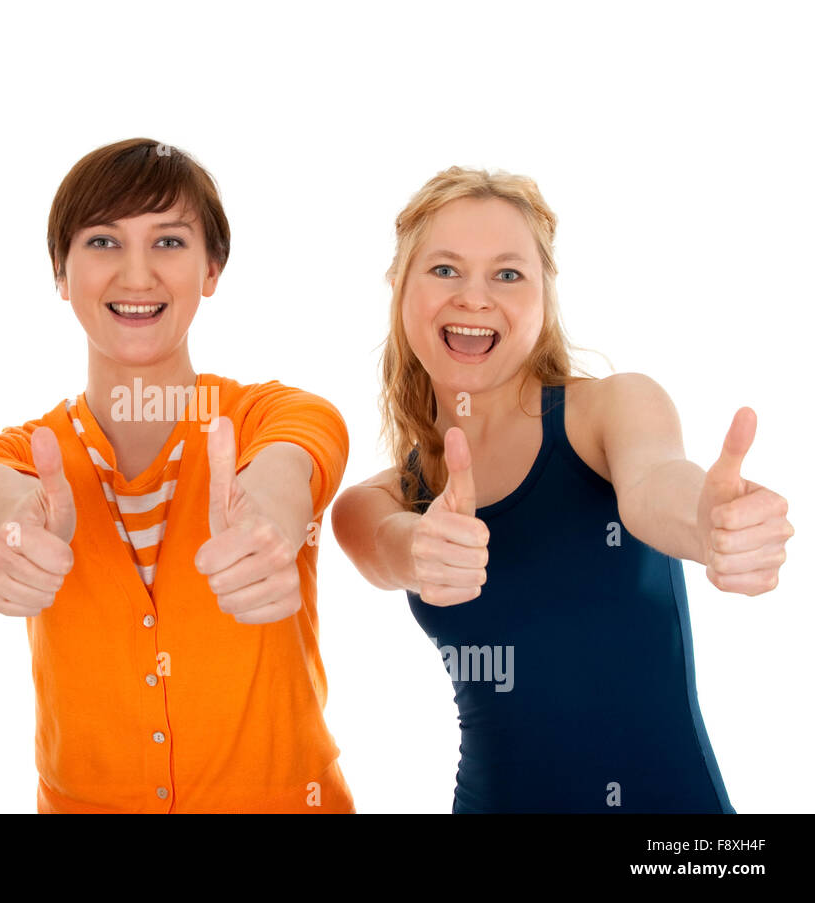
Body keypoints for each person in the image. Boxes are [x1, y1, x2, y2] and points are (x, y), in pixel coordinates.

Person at [331, 166, 793, 813]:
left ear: (544, 292)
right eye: (444, 269)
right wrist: (423, 550)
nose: (474, 296)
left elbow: (655, 482)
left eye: (508, 273)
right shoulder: (378, 499)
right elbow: (387, 546)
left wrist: (707, 521)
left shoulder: (610, 408)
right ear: (398, 283)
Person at [0, 138, 353, 813]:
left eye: (168, 243)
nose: (137, 277)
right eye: (104, 242)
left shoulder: (276, 414)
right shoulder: (10, 453)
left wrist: (268, 525)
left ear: (212, 269)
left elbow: (289, 468)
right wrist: (16, 531)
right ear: (60, 270)